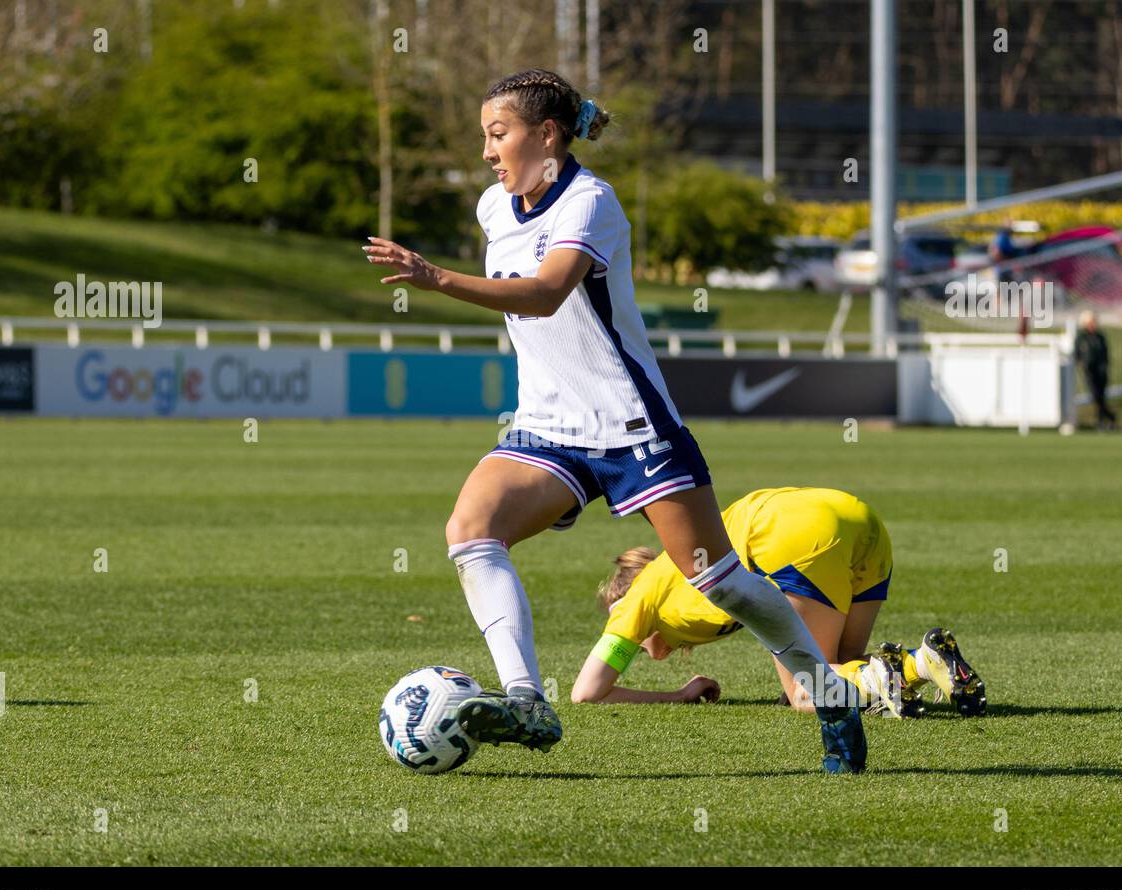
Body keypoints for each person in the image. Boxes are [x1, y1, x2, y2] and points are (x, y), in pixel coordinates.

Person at [362, 70, 867, 773]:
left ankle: (829, 696)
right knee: (470, 531)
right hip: (547, 430)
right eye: (484, 136)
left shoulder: (591, 202)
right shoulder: (493, 207)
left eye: (497, 134)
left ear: (546, 136)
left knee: (719, 582)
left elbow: (544, 294)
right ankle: (527, 702)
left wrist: (435, 278)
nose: (486, 151)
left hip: (633, 429)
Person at [570, 487, 986, 719]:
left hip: (792, 533)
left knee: (811, 693)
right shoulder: (672, 573)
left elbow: (586, 693)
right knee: (842, 668)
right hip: (857, 516)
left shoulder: (633, 603)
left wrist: (678, 697)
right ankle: (925, 666)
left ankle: (918, 661)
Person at [1075, 310, 1115, 429]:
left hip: (1100, 371)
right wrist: (1081, 363)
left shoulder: (1100, 336)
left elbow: (1105, 353)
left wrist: (1104, 366)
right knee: (1095, 396)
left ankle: (1102, 420)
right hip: (1089, 371)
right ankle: (1108, 417)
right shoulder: (1081, 337)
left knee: (1101, 396)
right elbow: (1077, 353)